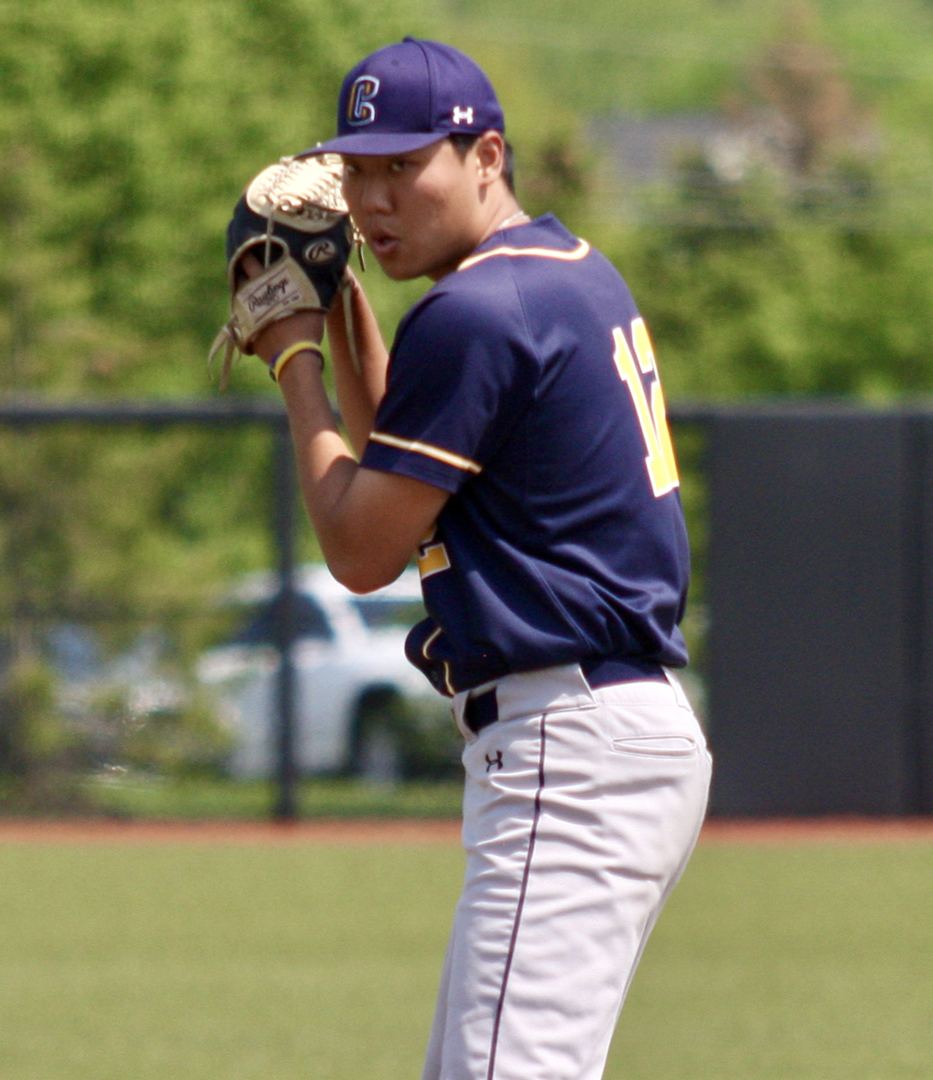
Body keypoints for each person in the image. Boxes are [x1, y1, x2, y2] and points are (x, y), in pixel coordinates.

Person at [245, 37, 712, 1080]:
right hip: (607, 733)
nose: (373, 197)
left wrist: (294, 363)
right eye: (358, 168)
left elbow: (364, 547)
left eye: (405, 165)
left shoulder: (477, 309)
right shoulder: (558, 275)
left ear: (486, 155)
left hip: (568, 742)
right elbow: (408, 483)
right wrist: (342, 303)